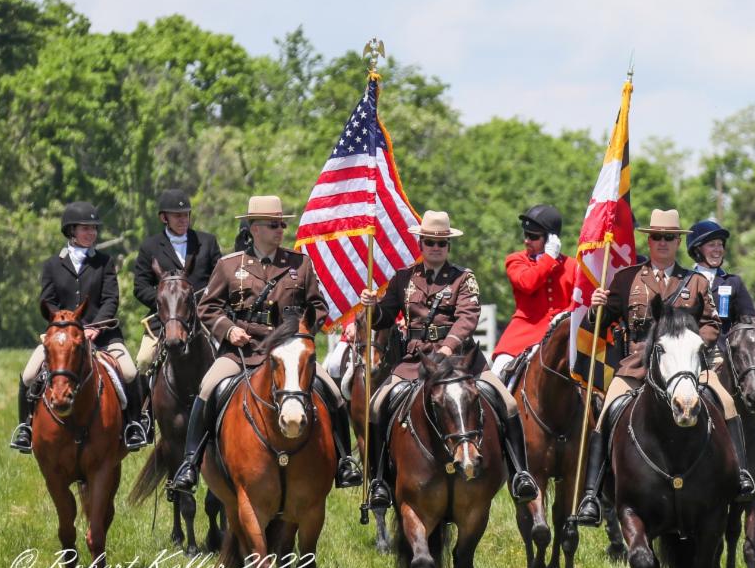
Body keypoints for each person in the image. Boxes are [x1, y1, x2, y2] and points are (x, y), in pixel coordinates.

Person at [167, 195, 362, 500]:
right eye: (273, 225)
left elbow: (318, 307)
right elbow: (207, 308)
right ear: (254, 228)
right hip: (243, 351)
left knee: (333, 392)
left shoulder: (300, 264)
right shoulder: (230, 265)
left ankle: (345, 461)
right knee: (207, 388)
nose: (280, 230)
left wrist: (299, 335)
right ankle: (190, 464)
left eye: (282, 224)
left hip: (288, 353)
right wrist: (229, 330)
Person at [572, 209, 755, 527]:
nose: (662, 242)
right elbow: (602, 322)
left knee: (725, 402)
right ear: (649, 239)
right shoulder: (627, 278)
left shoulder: (695, 281)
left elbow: (711, 323)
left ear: (678, 242)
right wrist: (596, 307)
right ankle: (591, 495)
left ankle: (740, 474)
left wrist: (695, 347)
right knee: (606, 414)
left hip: (686, 364)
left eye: (669, 237)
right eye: (657, 236)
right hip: (637, 366)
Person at [358, 210, 540, 508]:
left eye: (441, 243)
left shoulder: (463, 279)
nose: (435, 248)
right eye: (430, 242)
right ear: (420, 244)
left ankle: (520, 474)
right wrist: (371, 308)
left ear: (448, 247)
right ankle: (380, 482)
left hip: (461, 360)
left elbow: (468, 318)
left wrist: (446, 349)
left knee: (507, 402)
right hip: (415, 361)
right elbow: (384, 318)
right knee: (377, 405)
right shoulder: (404, 279)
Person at [9, 202, 148, 452]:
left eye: (94, 229)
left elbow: (110, 299)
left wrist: (95, 327)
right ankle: (26, 428)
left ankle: (133, 426)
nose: (92, 234)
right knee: (29, 375)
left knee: (129, 372)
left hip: (103, 335)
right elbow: (47, 300)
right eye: (86, 229)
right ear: (71, 230)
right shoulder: (52, 265)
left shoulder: (104, 262)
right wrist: (65, 325)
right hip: (62, 338)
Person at [686, 219, 755, 406]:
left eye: (720, 245)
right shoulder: (683, 282)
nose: (718, 249)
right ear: (697, 250)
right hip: (693, 355)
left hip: (732, 355)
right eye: (712, 245)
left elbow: (749, 322)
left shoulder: (733, 283)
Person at [131, 189, 222, 372]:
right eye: (177, 216)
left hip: (204, 315)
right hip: (165, 318)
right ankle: (144, 402)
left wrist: (206, 299)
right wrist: (166, 303)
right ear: (164, 218)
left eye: (185, 215)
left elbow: (220, 277)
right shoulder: (150, 247)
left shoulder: (207, 241)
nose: (183, 220)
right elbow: (140, 286)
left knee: (225, 354)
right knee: (143, 361)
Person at [490, 204, 576, 383]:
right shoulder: (516, 260)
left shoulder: (573, 266)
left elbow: (577, 302)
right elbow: (527, 283)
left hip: (563, 337)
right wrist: (549, 259)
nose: (527, 241)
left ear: (551, 239)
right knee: (496, 374)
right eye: (526, 235)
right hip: (524, 332)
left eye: (533, 236)